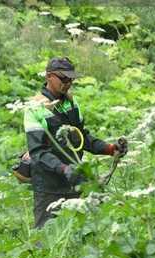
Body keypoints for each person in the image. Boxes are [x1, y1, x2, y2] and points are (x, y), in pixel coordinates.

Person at [23, 57, 127, 228]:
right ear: (49, 76)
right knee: (44, 237)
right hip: (48, 185)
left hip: (75, 180)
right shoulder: (35, 108)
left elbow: (81, 138)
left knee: (81, 232)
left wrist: (110, 149)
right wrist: (64, 169)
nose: (68, 83)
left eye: (71, 79)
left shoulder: (71, 103)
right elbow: (38, 152)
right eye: (63, 78)